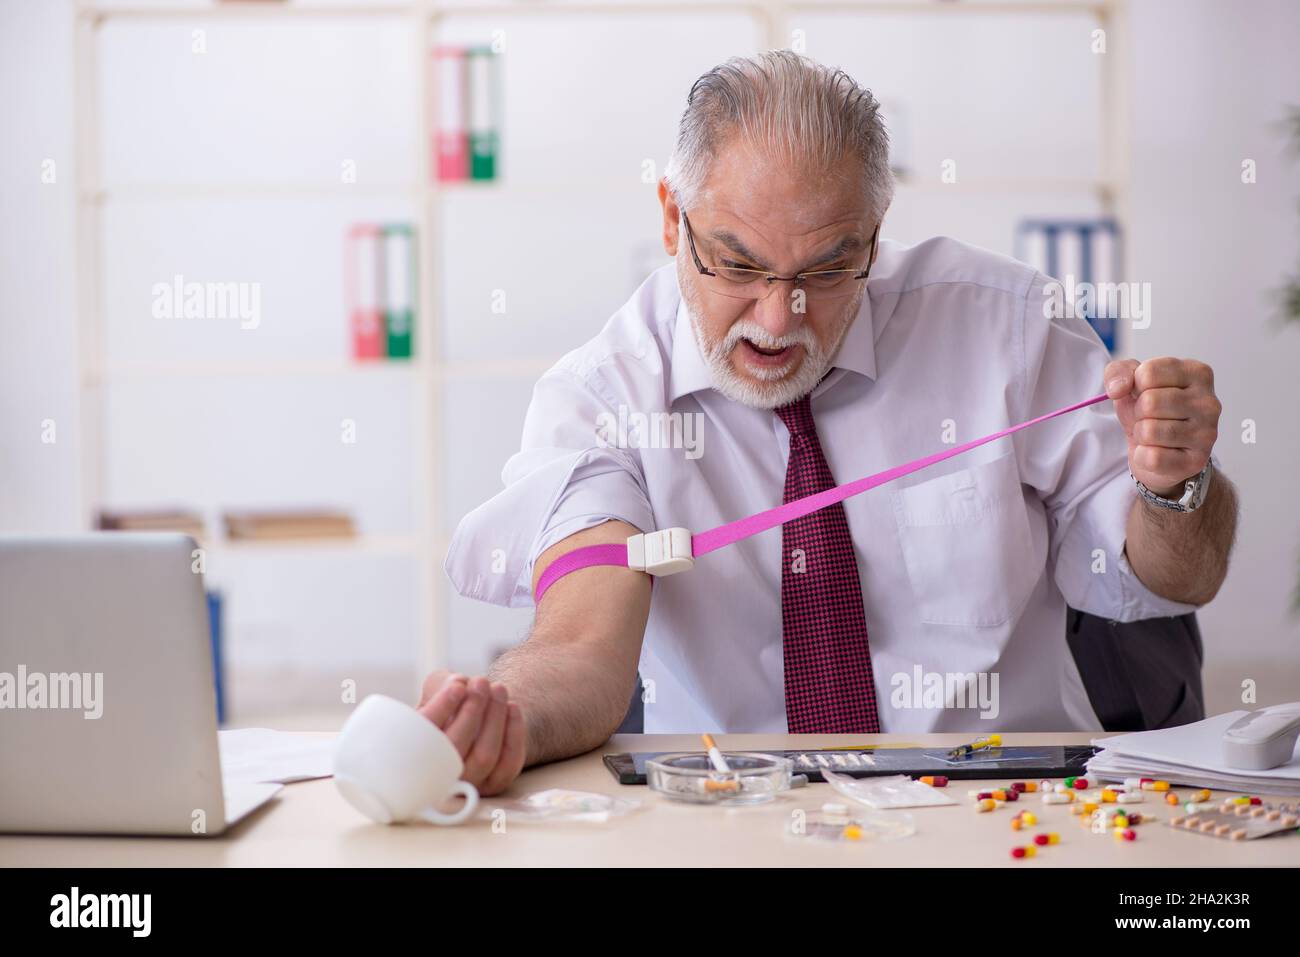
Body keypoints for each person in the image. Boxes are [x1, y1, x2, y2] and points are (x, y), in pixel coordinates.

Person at [424, 51, 1237, 795]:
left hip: (998, 804)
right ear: (674, 218)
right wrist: (504, 716)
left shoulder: (1007, 329)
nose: (779, 317)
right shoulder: (605, 400)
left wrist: (1176, 487)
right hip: (736, 815)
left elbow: (1171, 582)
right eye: (738, 265)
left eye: (826, 268)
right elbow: (582, 646)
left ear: (876, 237)